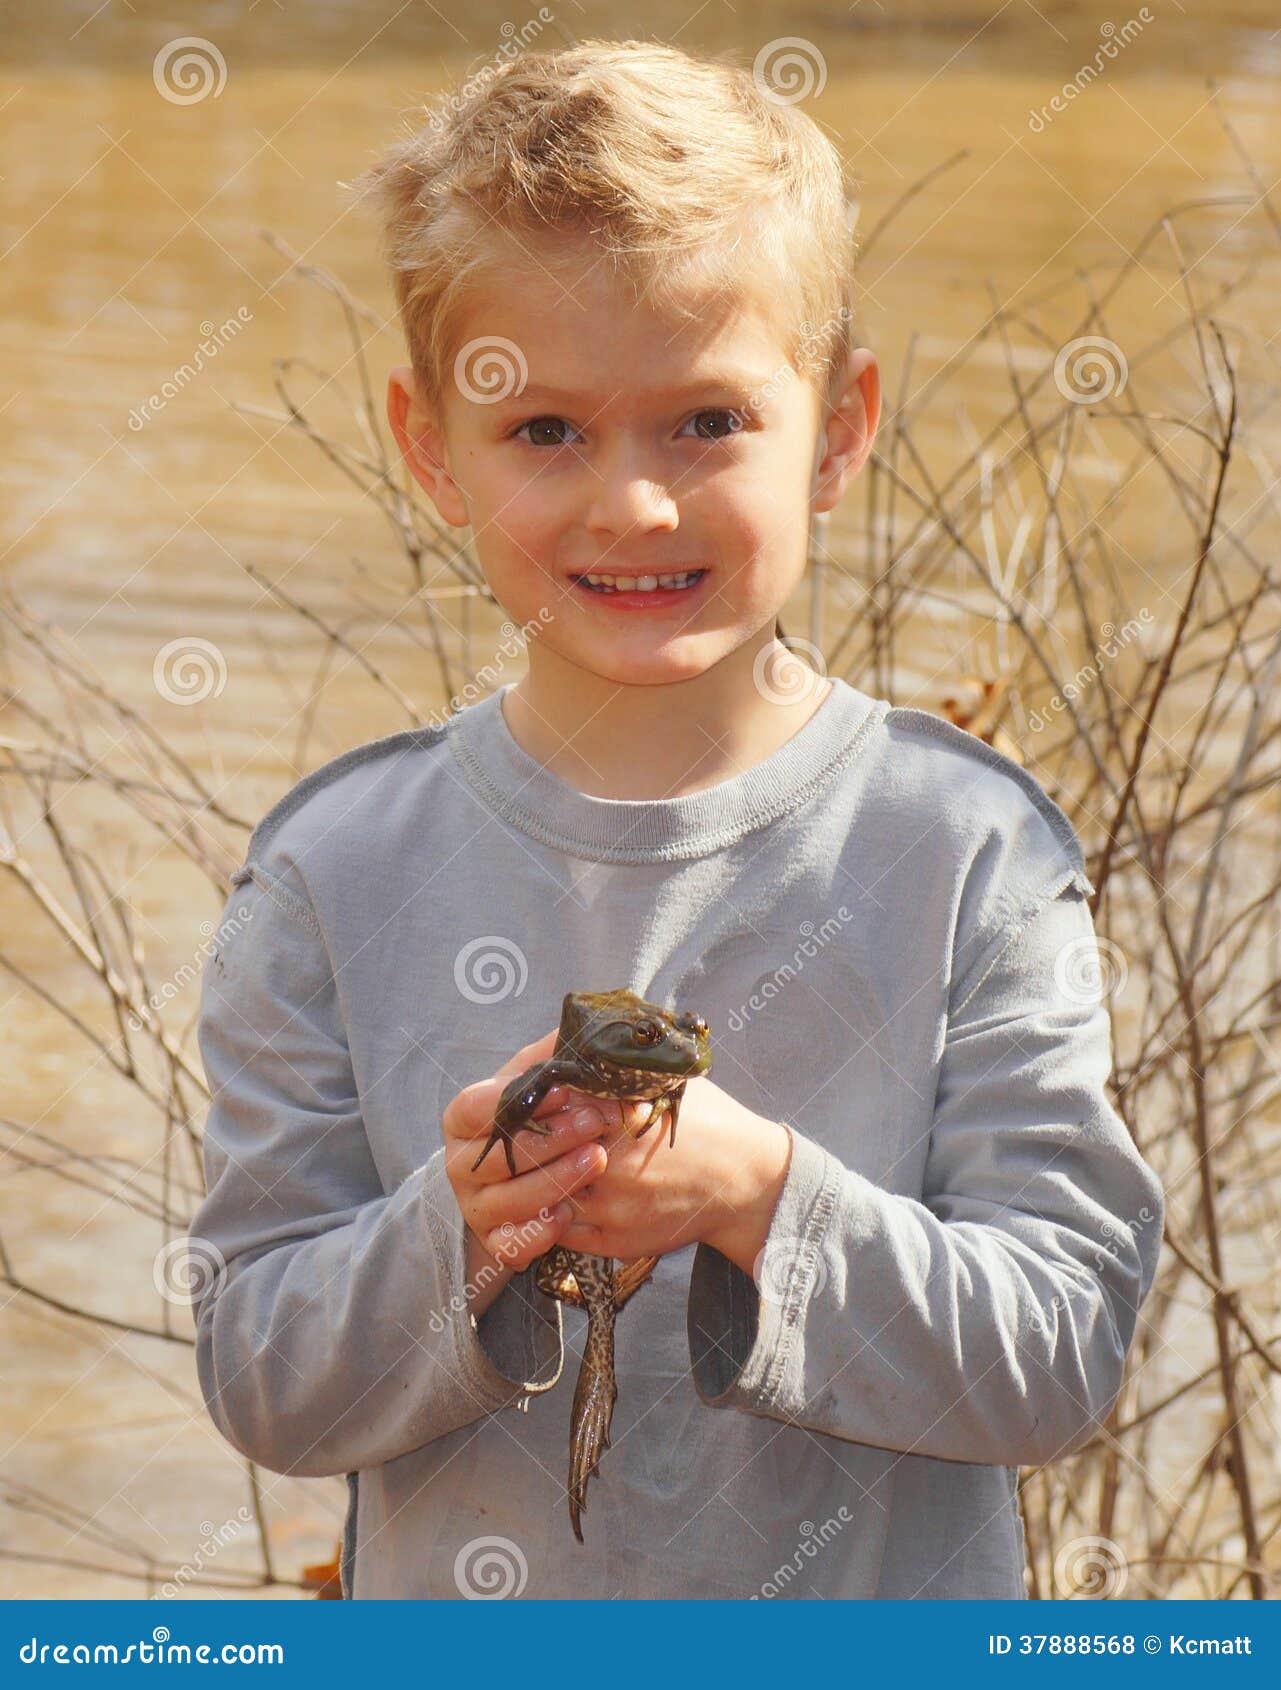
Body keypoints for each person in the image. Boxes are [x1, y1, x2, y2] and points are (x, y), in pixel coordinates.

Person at [189, 38, 1164, 1599]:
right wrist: (462, 1228)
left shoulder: (967, 845)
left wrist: (759, 1194)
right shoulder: (330, 871)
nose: (632, 502)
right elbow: (256, 1372)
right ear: (430, 445)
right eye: (545, 429)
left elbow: (1061, 1349)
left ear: (840, 426)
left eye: (705, 421)